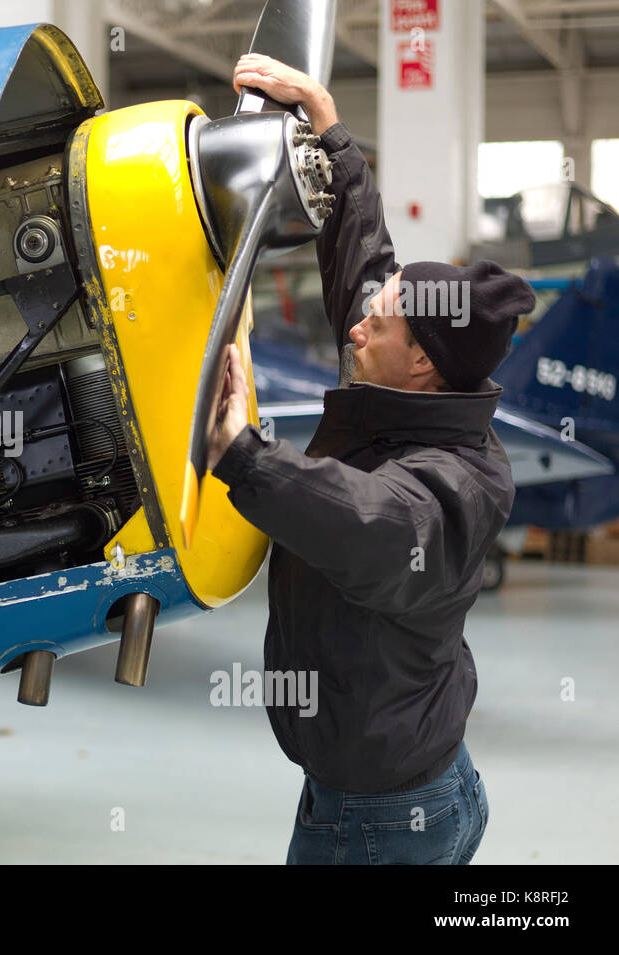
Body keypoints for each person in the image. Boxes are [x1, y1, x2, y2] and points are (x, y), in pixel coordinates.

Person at [207, 54, 536, 864]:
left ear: (420, 360)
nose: (355, 327)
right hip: (393, 787)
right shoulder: (412, 371)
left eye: (376, 327)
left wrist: (241, 455)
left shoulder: (459, 484)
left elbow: (373, 524)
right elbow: (367, 263)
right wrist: (328, 123)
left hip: (385, 823)